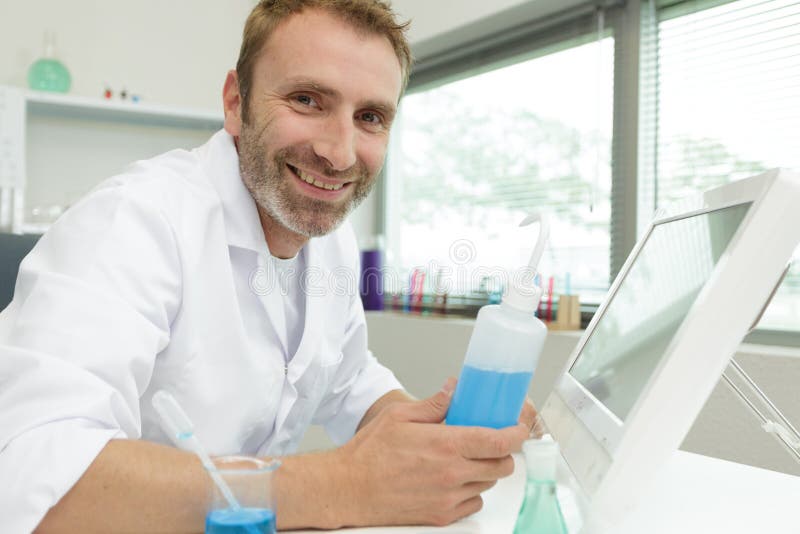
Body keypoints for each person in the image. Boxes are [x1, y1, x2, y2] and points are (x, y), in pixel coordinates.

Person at [0, 1, 535, 532]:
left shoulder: (330, 241)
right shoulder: (133, 223)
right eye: (307, 100)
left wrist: (436, 440)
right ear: (236, 102)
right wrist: (343, 485)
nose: (341, 153)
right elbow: (28, 475)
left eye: (370, 117)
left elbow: (347, 379)